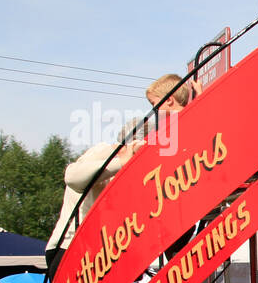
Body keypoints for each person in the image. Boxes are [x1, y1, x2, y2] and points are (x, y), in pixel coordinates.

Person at [45, 74, 196, 263]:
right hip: (70, 247)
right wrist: (122, 162)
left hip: (101, 251)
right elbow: (72, 176)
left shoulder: (131, 169)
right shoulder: (104, 152)